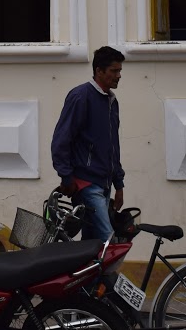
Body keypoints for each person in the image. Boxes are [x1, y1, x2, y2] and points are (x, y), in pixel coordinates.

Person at [50, 46, 126, 241]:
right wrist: (66, 178)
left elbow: (113, 147)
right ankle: (110, 274)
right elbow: (61, 140)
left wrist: (119, 185)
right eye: (114, 71)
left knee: (92, 246)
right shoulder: (81, 96)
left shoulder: (111, 101)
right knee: (109, 242)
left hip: (104, 184)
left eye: (120, 71)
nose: (118, 76)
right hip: (86, 184)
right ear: (99, 71)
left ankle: (91, 274)